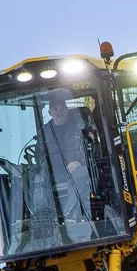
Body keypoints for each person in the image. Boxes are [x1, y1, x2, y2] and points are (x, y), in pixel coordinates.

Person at [42, 88, 95, 226]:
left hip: (77, 171)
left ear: (67, 110)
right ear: (50, 113)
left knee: (80, 172)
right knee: (36, 178)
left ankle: (69, 216)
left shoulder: (78, 128)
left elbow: (92, 149)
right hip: (54, 174)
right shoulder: (45, 132)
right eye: (56, 110)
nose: (60, 112)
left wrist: (79, 162)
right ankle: (41, 220)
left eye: (62, 109)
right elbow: (39, 154)